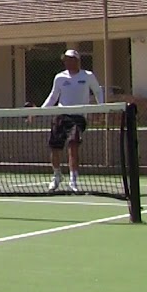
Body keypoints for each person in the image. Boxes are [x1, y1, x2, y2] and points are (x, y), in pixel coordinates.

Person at [40, 49, 105, 193]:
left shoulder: (88, 76)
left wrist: (101, 108)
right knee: (55, 148)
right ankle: (57, 176)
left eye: (70, 59)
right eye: (66, 60)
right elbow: (53, 96)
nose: (67, 62)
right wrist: (40, 111)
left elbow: (98, 91)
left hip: (78, 117)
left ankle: (73, 180)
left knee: (73, 145)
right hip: (61, 115)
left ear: (77, 61)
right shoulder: (59, 77)